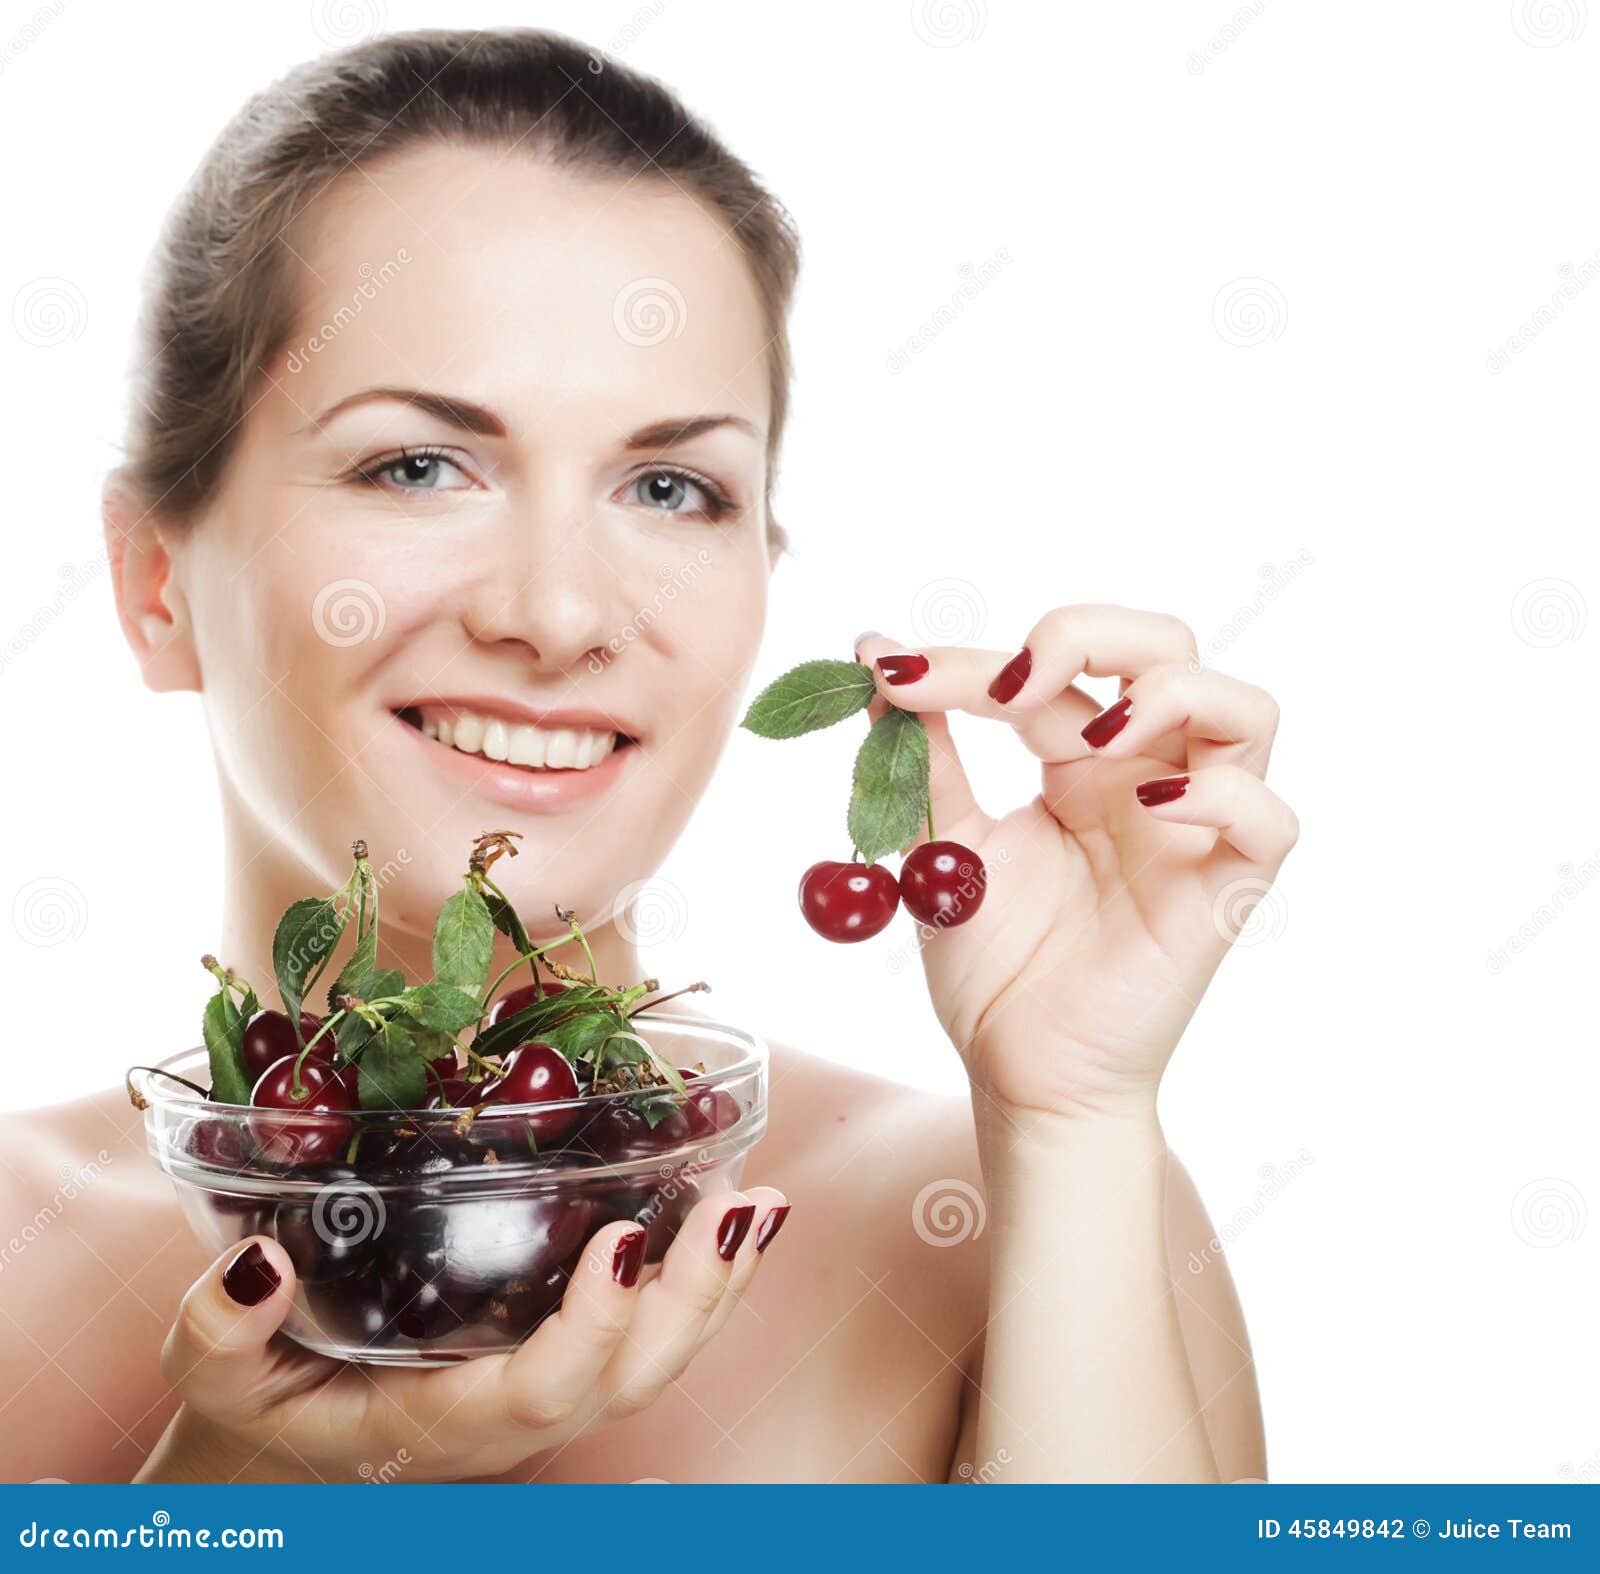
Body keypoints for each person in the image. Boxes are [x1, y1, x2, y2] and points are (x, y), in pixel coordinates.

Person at [0, 29, 1295, 1484]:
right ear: (153, 580)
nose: (556, 614)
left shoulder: (980, 1217)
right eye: (419, 465)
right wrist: (253, 1472)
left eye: (670, 486)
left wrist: (1069, 1119)